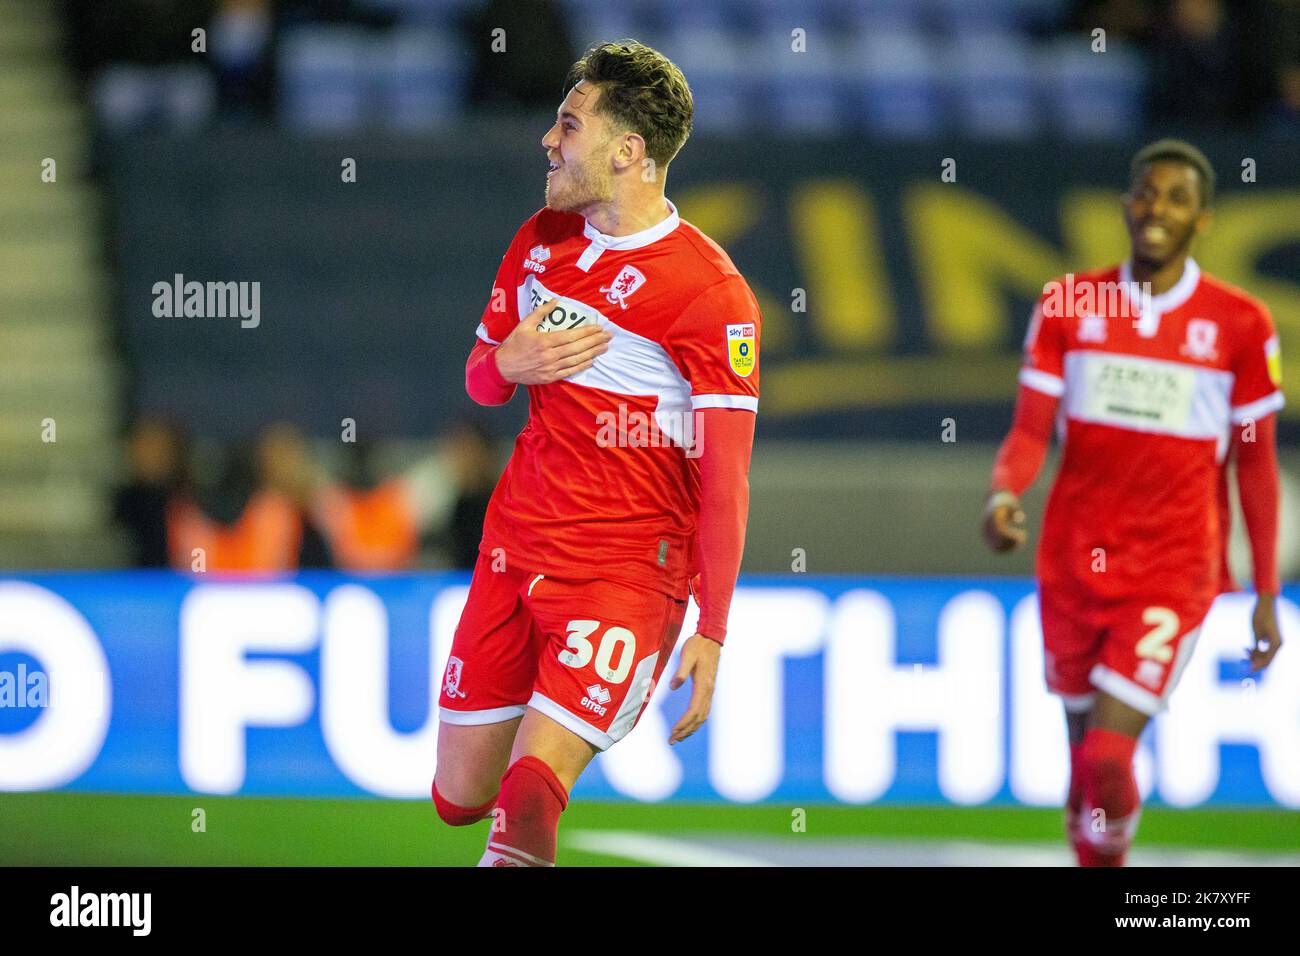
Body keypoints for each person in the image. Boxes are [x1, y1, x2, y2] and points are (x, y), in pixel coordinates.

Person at [431, 41, 761, 867]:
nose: (548, 139)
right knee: (458, 798)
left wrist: (712, 627)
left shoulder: (709, 294)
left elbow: (726, 479)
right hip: (513, 551)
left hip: (624, 575)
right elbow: (480, 379)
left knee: (528, 795)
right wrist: (507, 363)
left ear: (629, 151)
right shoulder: (543, 240)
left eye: (568, 125)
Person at [983, 139, 1284, 866]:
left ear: (1202, 219)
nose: (1157, 209)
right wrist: (1004, 491)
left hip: (1171, 570)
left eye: (1176, 198)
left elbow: (1256, 465)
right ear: (1126, 206)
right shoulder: (1067, 304)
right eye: (1147, 193)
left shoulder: (1239, 325)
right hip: (1072, 562)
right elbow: (1031, 428)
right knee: (1083, 762)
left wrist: (1267, 591)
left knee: (1109, 757)